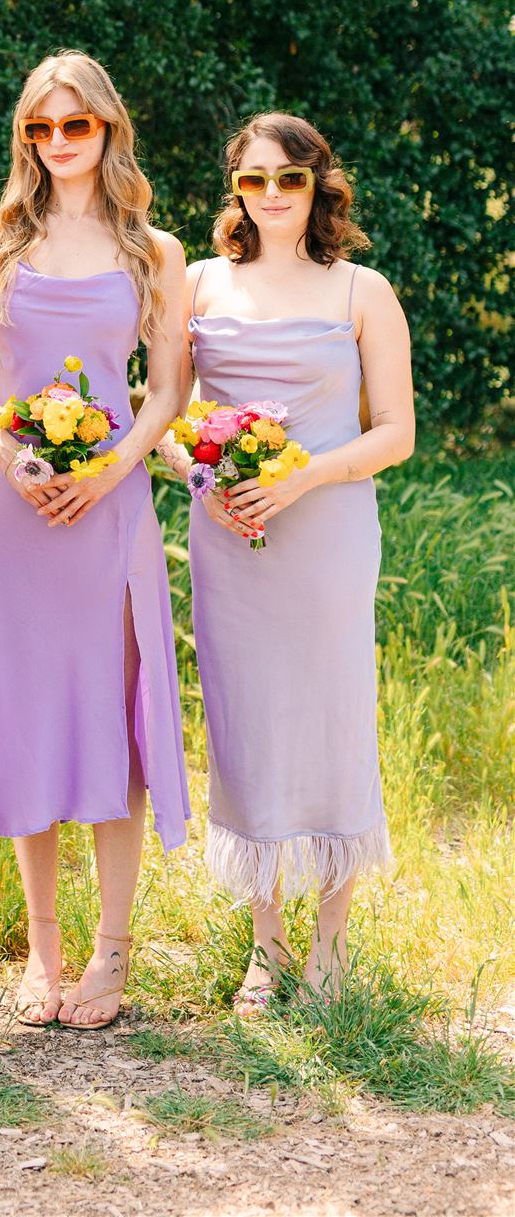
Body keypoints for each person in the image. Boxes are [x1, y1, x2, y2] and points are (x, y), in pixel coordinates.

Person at [0, 51, 189, 1029]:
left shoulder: (153, 250)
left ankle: (113, 949)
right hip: (7, 502)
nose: (58, 143)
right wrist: (10, 460)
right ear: (26, 136)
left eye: (75, 126)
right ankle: (41, 948)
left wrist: (111, 464)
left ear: (107, 127)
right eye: (40, 128)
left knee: (107, 715)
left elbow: (169, 386)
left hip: (109, 498)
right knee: (26, 715)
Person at [176, 113, 414, 1010]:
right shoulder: (196, 285)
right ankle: (264, 940)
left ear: (318, 187)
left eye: (290, 180)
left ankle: (329, 940)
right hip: (230, 533)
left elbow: (395, 432)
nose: (270, 196)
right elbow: (169, 415)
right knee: (246, 721)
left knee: (329, 713)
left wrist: (304, 474)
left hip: (326, 532)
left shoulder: (361, 290)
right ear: (233, 187)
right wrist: (211, 478)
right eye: (253, 180)